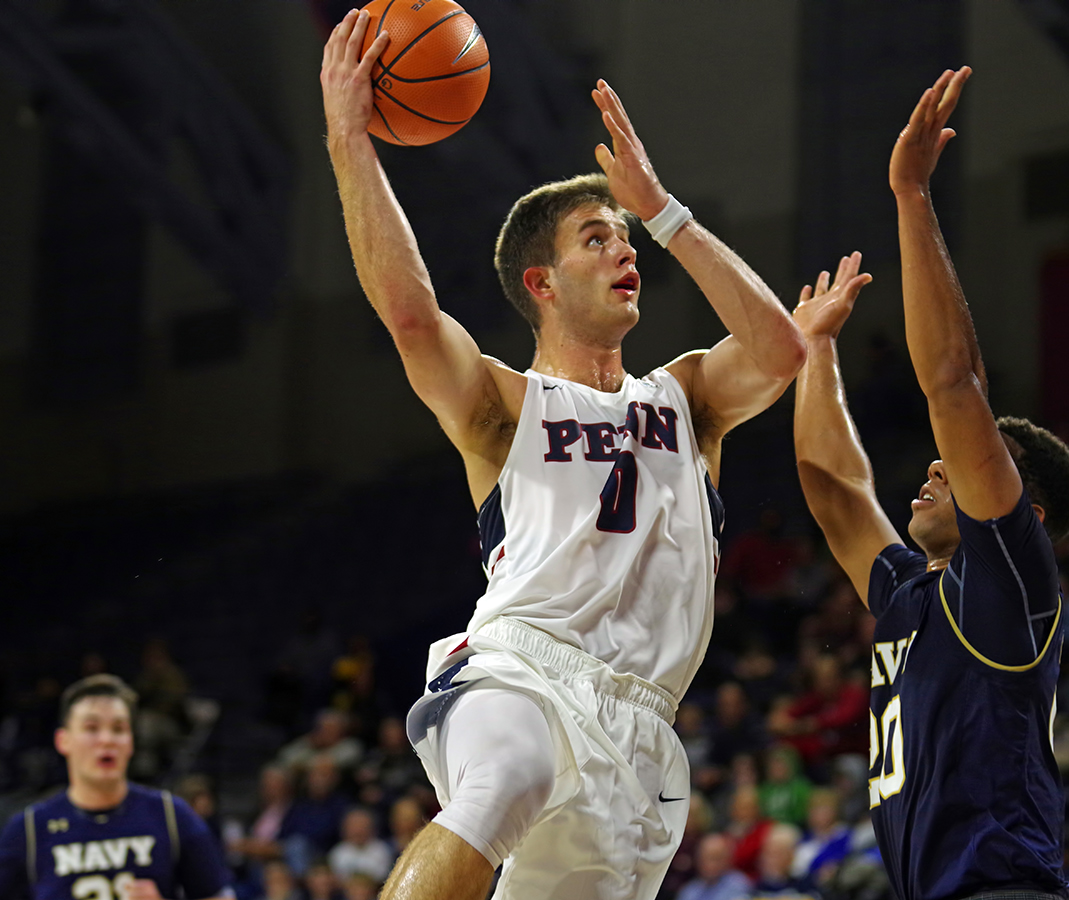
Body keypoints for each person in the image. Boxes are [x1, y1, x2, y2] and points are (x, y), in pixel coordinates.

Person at [318, 8, 807, 900]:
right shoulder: (507, 403)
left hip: (645, 726)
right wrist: (350, 138)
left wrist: (664, 212)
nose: (625, 250)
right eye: (598, 237)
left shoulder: (687, 396)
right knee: (497, 786)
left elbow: (780, 351)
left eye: (626, 239)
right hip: (523, 666)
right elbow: (413, 315)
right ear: (541, 284)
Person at [791, 66, 1069, 900]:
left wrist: (912, 195)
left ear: (1019, 511)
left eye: (954, 466)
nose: (934, 466)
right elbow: (832, 488)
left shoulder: (1009, 577)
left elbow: (954, 384)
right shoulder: (908, 590)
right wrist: (816, 354)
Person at [0, 675, 231, 900]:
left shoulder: (171, 816)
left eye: (118, 729)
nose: (107, 740)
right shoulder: (32, 829)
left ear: (131, 742)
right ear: (63, 740)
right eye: (92, 728)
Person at [676, 835, 752, 900]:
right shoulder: (689, 891)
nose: (709, 864)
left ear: (728, 859)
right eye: (704, 858)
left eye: (715, 858)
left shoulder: (738, 885)